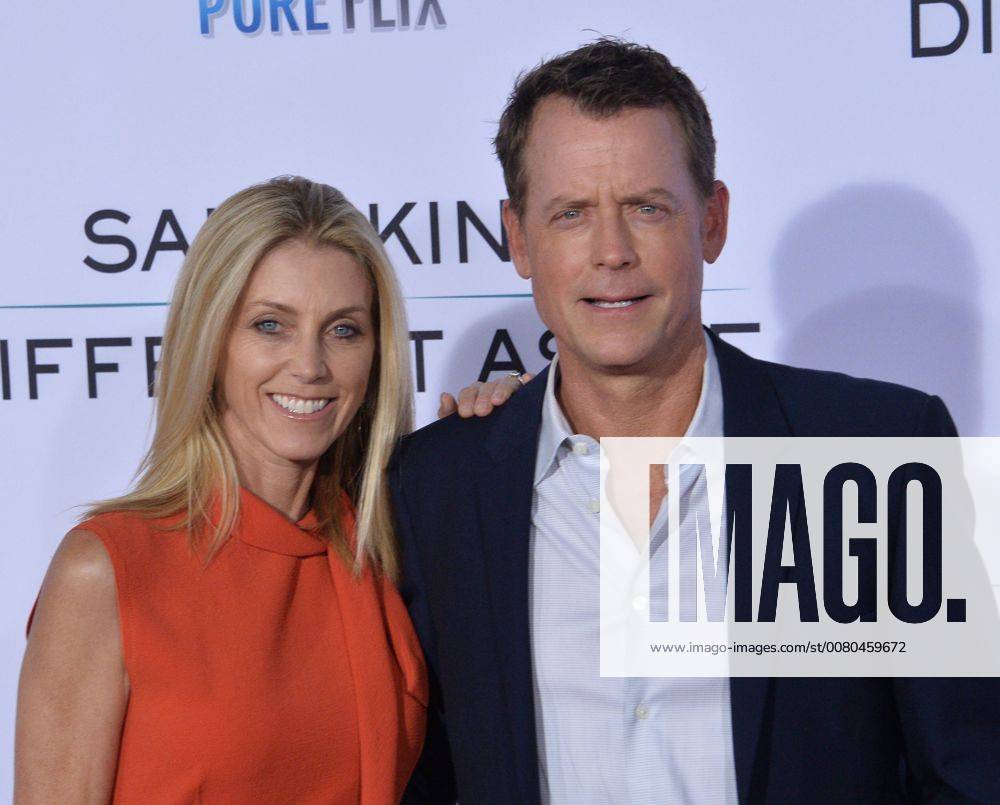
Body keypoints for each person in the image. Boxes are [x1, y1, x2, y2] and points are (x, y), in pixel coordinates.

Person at [389, 39, 1000, 804]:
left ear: (711, 221)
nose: (611, 252)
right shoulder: (435, 485)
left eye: (648, 208)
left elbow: (970, 772)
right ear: (518, 238)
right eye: (571, 214)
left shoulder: (874, 451)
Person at [14, 176, 522, 804]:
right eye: (270, 325)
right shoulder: (107, 572)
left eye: (343, 330)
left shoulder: (389, 549)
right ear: (211, 341)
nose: (309, 365)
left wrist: (501, 437)